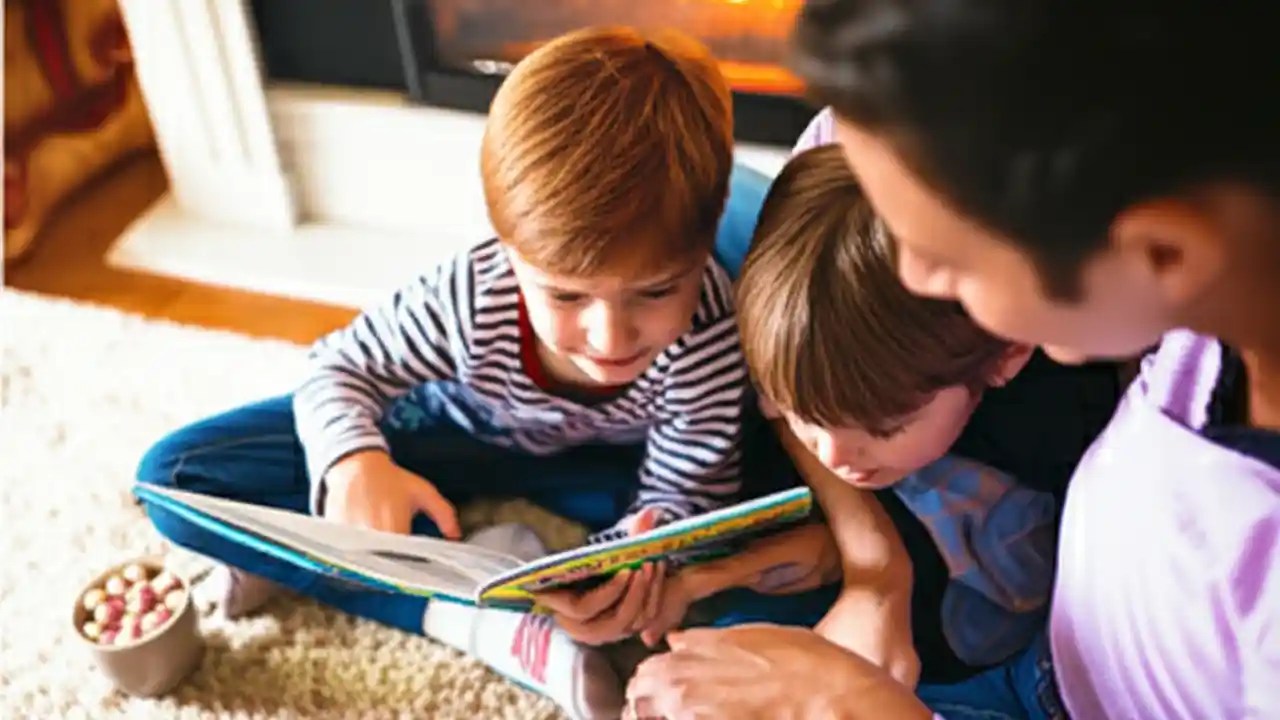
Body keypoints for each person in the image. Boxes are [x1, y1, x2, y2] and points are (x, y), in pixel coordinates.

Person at [625, 2, 1280, 718]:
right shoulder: (956, 118)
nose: (914, 277)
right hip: (1049, 647)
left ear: (1162, 255)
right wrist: (876, 565)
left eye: (946, 262)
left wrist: (844, 704)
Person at [135, 26, 748, 720]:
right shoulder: (471, 294)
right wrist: (358, 462)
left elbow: (684, 498)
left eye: (655, 292)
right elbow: (339, 367)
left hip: (597, 468)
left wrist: (620, 568)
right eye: (567, 296)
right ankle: (474, 617)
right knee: (175, 483)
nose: (609, 337)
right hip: (449, 432)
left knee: (710, 574)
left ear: (701, 248)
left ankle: (333, 567)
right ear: (508, 252)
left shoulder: (708, 332)